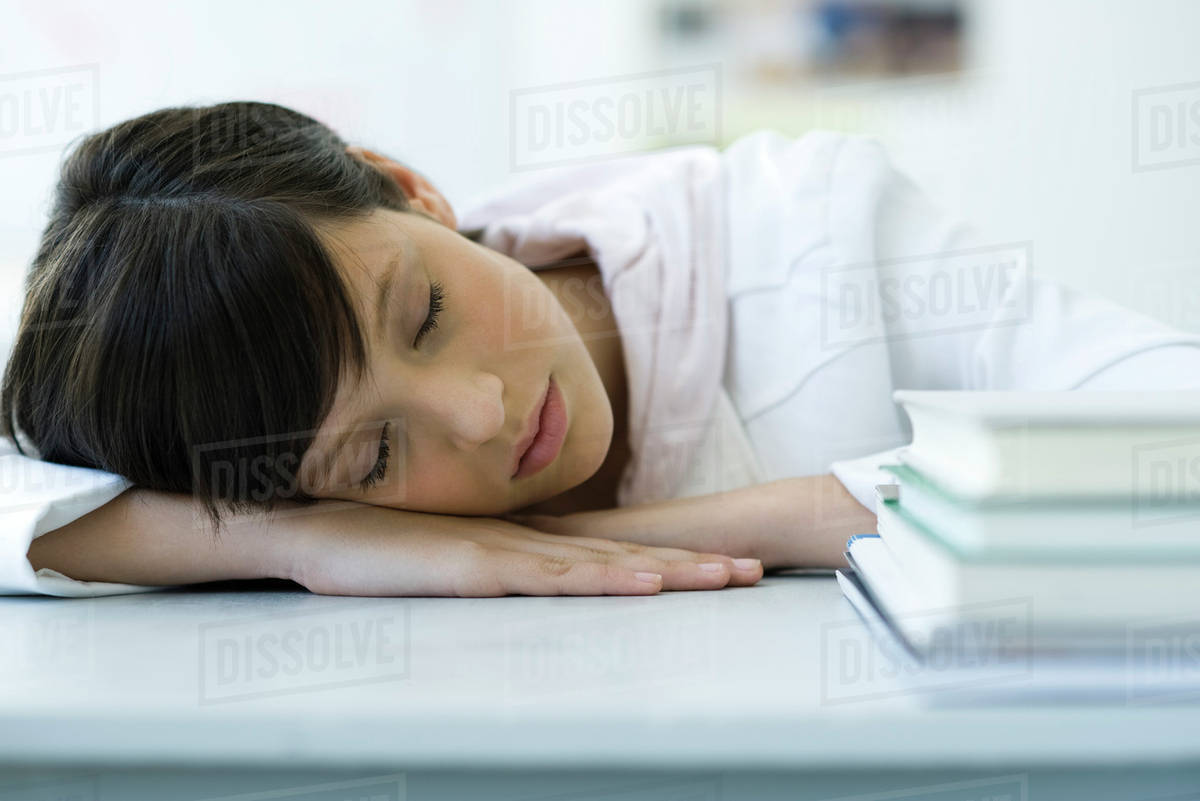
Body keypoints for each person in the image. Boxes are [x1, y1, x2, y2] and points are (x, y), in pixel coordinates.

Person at [4, 101, 1199, 598]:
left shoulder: (808, 234)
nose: (478, 414)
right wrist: (303, 540)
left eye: (423, 314)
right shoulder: (297, 501)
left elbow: (1176, 442)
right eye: (374, 457)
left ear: (411, 191)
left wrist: (764, 519)